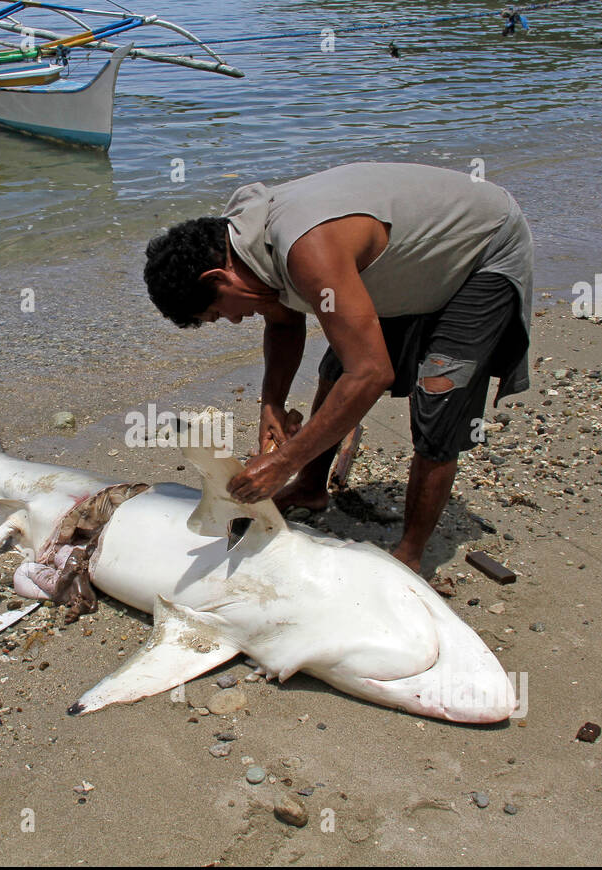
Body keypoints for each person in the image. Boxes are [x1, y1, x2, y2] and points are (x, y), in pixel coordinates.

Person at [143, 162, 533, 573]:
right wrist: (271, 403)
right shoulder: (241, 244)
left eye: (219, 313)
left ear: (218, 276)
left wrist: (283, 460)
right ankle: (311, 488)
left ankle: (409, 556)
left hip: (482, 249)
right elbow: (282, 317)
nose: (236, 321)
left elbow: (370, 374)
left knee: (439, 393)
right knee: (336, 371)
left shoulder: (309, 250)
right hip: (410, 261)